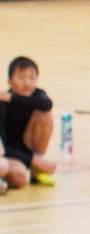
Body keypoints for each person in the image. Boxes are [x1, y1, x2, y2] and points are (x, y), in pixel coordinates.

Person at [1, 57, 57, 191]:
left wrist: (12, 98)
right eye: (21, 78)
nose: (27, 83)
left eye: (32, 78)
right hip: (10, 153)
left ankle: (37, 169)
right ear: (9, 80)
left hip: (28, 148)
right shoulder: (2, 105)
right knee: (18, 179)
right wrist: (33, 160)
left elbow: (47, 104)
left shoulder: (38, 95)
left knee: (45, 112)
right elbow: (3, 146)